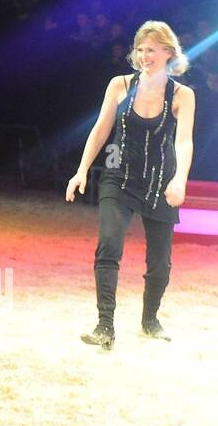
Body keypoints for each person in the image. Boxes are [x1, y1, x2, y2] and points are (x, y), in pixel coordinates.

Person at [66, 21, 197, 350]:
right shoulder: (120, 85)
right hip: (119, 177)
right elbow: (100, 130)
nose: (143, 55)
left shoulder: (182, 95)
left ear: (168, 52)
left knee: (159, 263)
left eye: (151, 49)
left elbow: (184, 143)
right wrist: (81, 170)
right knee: (108, 245)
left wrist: (180, 179)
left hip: (159, 183)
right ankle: (104, 325)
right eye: (139, 49)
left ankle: (150, 319)